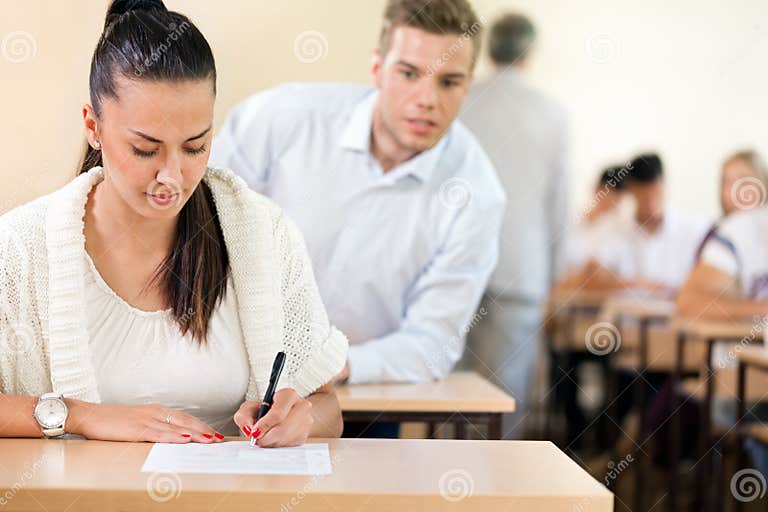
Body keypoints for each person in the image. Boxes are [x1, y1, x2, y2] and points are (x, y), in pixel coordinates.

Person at [0, 0, 347, 447]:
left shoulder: (265, 232)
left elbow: (327, 407)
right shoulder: (19, 248)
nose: (172, 176)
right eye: (145, 149)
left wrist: (296, 421)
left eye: (194, 146)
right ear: (93, 126)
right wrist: (82, 416)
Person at [210, 0, 505, 397]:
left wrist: (330, 366)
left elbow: (433, 342)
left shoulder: (476, 194)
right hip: (234, 370)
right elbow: (199, 223)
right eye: (409, 73)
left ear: (468, 86)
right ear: (377, 68)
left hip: (361, 390)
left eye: (449, 82)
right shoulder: (279, 119)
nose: (427, 99)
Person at [457, 12, 568, 439]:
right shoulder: (553, 114)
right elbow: (560, 207)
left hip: (458, 264)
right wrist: (556, 280)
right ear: (530, 52)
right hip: (521, 271)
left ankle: (444, 472)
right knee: (505, 400)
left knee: (445, 393)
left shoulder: (460, 100)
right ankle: (498, 476)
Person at [571, 153, 709, 293]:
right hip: (624, 307)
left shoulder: (695, 229)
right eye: (643, 196)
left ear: (664, 185)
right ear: (630, 190)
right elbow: (589, 279)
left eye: (655, 193)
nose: (650, 203)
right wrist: (636, 284)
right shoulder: (610, 228)